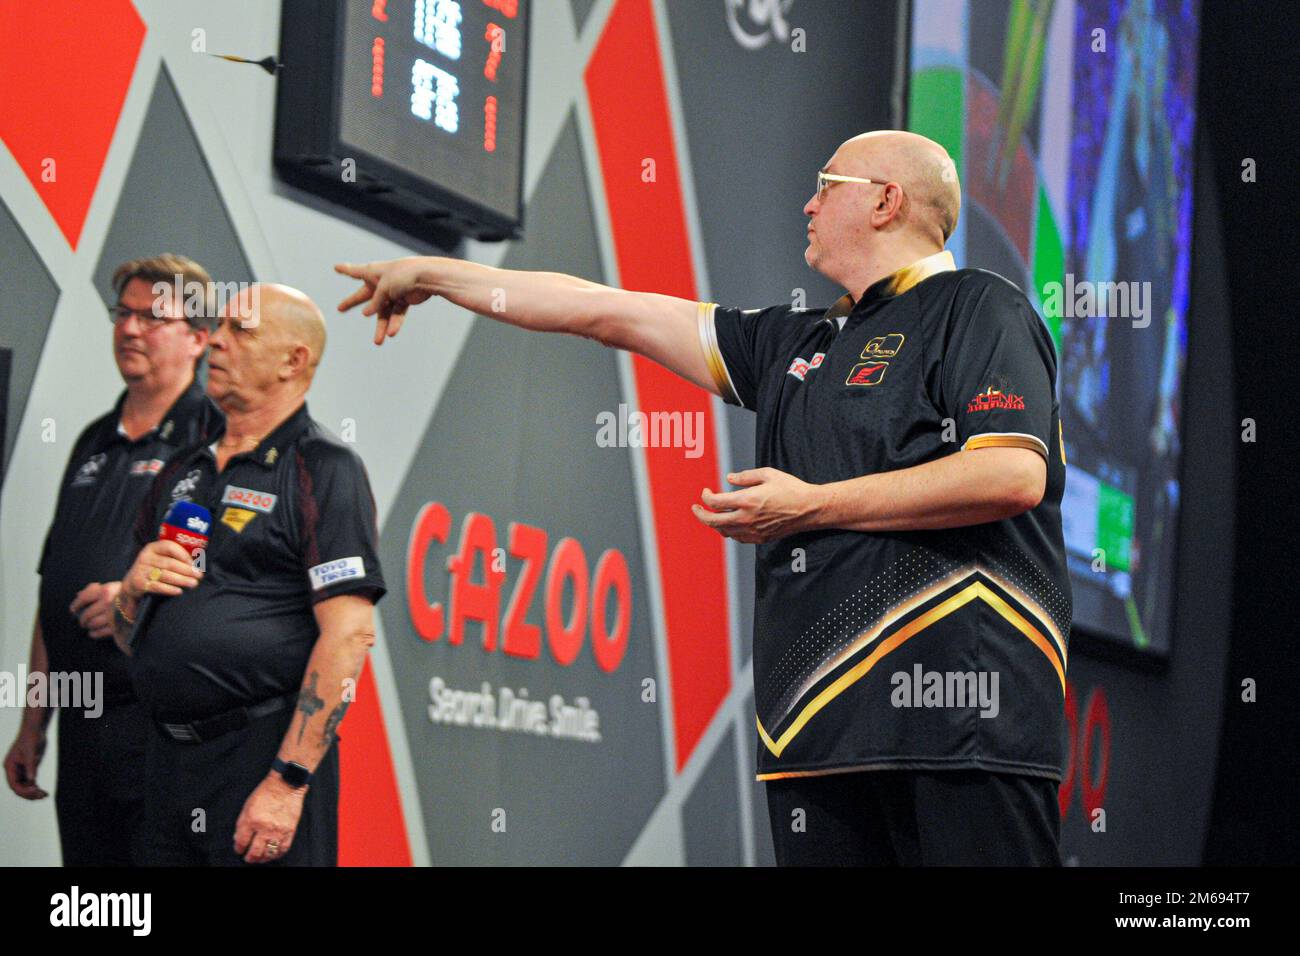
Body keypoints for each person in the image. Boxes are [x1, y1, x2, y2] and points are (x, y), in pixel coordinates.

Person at [335, 129, 1072, 867]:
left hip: (961, 724)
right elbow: (606, 311)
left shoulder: (979, 306)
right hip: (814, 728)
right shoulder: (797, 340)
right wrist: (435, 273)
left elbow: (1009, 475)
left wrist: (811, 505)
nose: (809, 204)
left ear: (886, 201)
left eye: (828, 183)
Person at [110, 283, 386, 866]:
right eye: (219, 327)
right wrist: (131, 590)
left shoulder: (323, 467)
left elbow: (350, 636)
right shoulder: (183, 468)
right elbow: (124, 634)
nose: (216, 341)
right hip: (164, 760)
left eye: (243, 330)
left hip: (257, 758)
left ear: (293, 361)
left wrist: (287, 783)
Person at [4, 254, 222, 865]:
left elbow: (231, 590)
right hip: (80, 723)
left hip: (158, 728)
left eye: (152, 317)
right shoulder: (92, 439)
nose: (129, 329)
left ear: (199, 338)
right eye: (121, 313)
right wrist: (32, 723)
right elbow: (55, 586)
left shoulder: (216, 439)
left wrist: (133, 600)